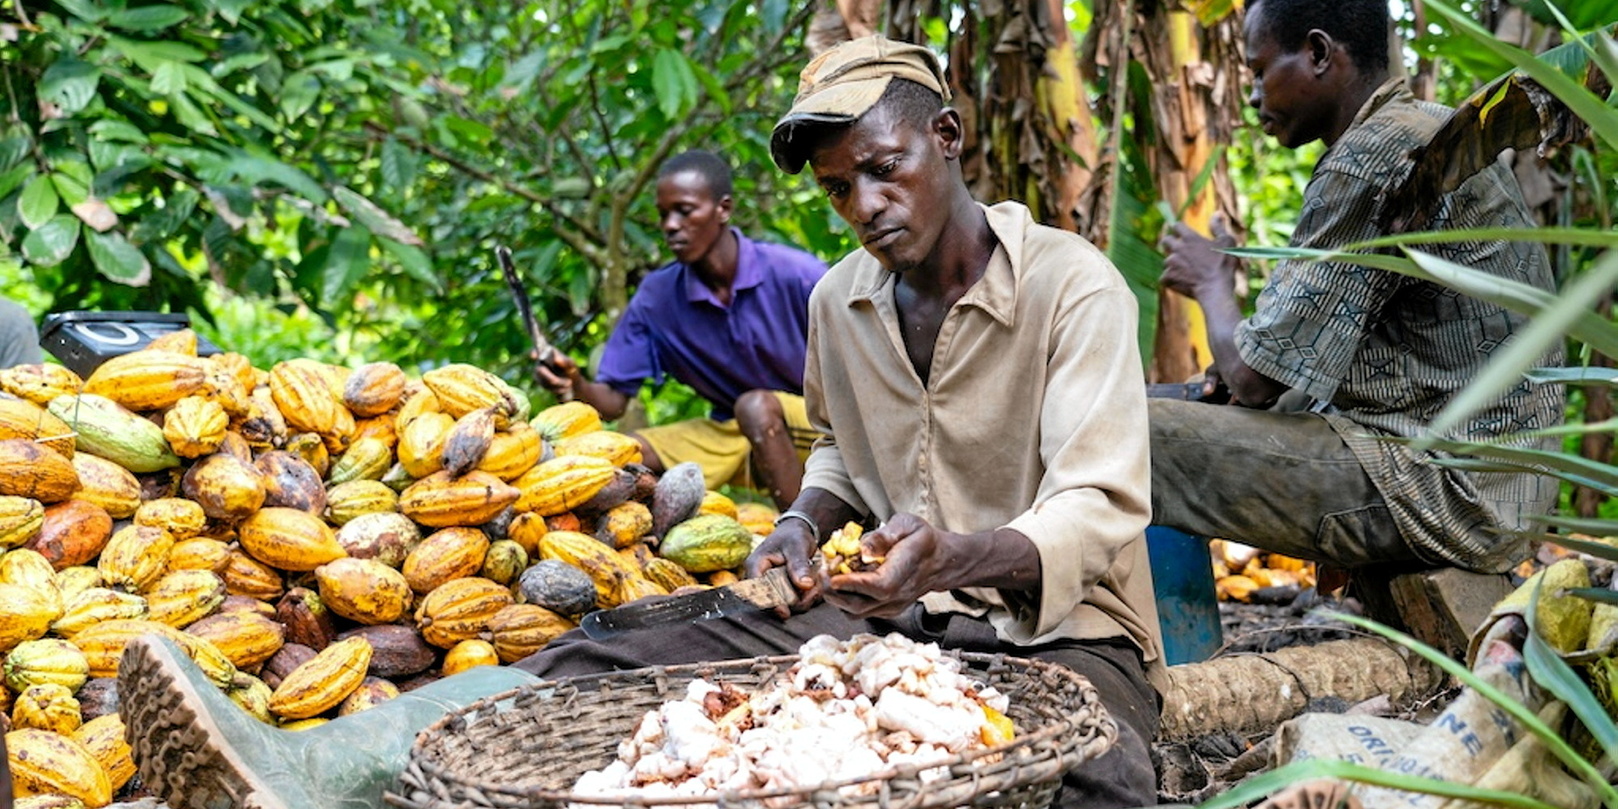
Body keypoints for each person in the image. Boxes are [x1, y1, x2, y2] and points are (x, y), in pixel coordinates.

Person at [116, 36, 1162, 809]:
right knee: (606, 661)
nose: (867, 205)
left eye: (886, 167)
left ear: (947, 136)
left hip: (1064, 635)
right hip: (882, 616)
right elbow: (842, 451)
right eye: (840, 190)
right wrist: (803, 523)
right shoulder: (841, 299)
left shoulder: (1073, 288)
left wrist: (953, 556)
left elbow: (1101, 504)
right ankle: (309, 768)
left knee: (1077, 776)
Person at [1152, 0, 1563, 585]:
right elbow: (1294, 359)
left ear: (1319, 54)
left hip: (1454, 493)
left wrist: (1211, 280)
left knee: (1133, 437)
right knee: (1166, 401)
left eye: (1259, 70)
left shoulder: (1371, 158)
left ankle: (1115, 645)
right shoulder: (1424, 126)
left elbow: (1253, 378)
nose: (1251, 94)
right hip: (1494, 483)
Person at [534, 150, 827, 509]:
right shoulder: (657, 299)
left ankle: (806, 537)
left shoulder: (794, 273)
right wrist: (574, 382)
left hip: (830, 425)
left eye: (684, 211)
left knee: (754, 407)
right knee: (623, 451)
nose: (670, 226)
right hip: (738, 433)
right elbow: (611, 403)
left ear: (723, 209)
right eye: (663, 215)